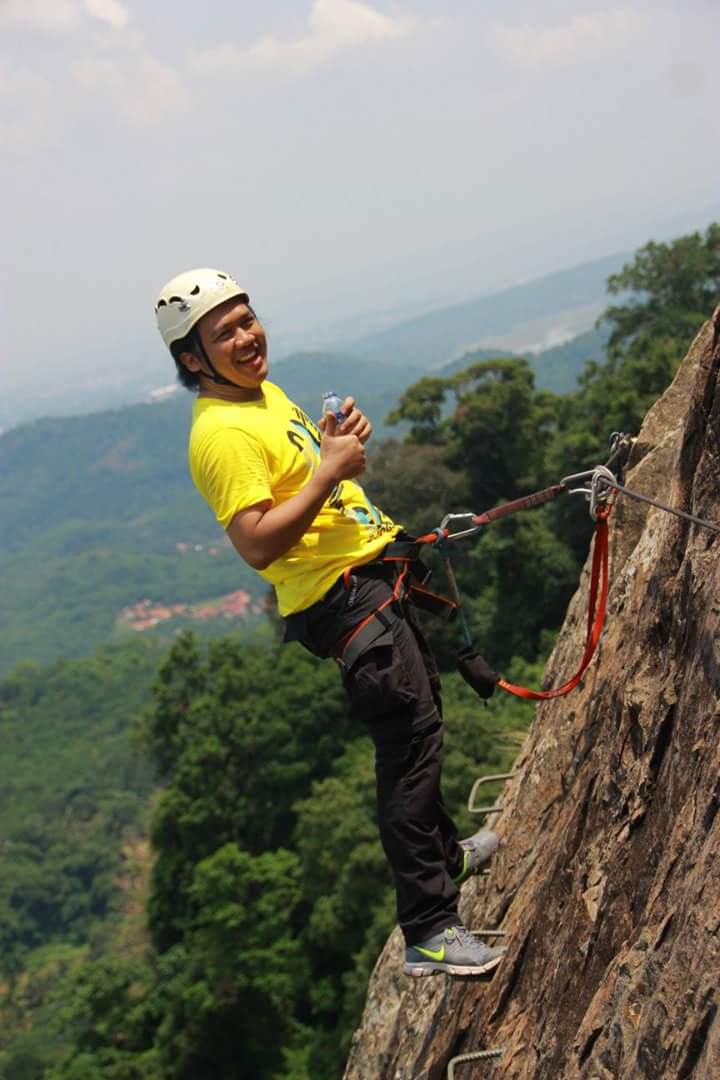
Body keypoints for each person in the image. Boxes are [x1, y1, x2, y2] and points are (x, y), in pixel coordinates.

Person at [154, 267, 505, 977]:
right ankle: (430, 929)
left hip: (368, 579)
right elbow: (256, 543)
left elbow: (305, 482)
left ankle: (444, 855)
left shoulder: (260, 395)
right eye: (224, 333)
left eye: (247, 319)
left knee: (423, 724)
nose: (247, 337)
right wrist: (327, 472)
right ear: (192, 358)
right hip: (341, 600)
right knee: (407, 750)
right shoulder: (220, 433)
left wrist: (330, 448)